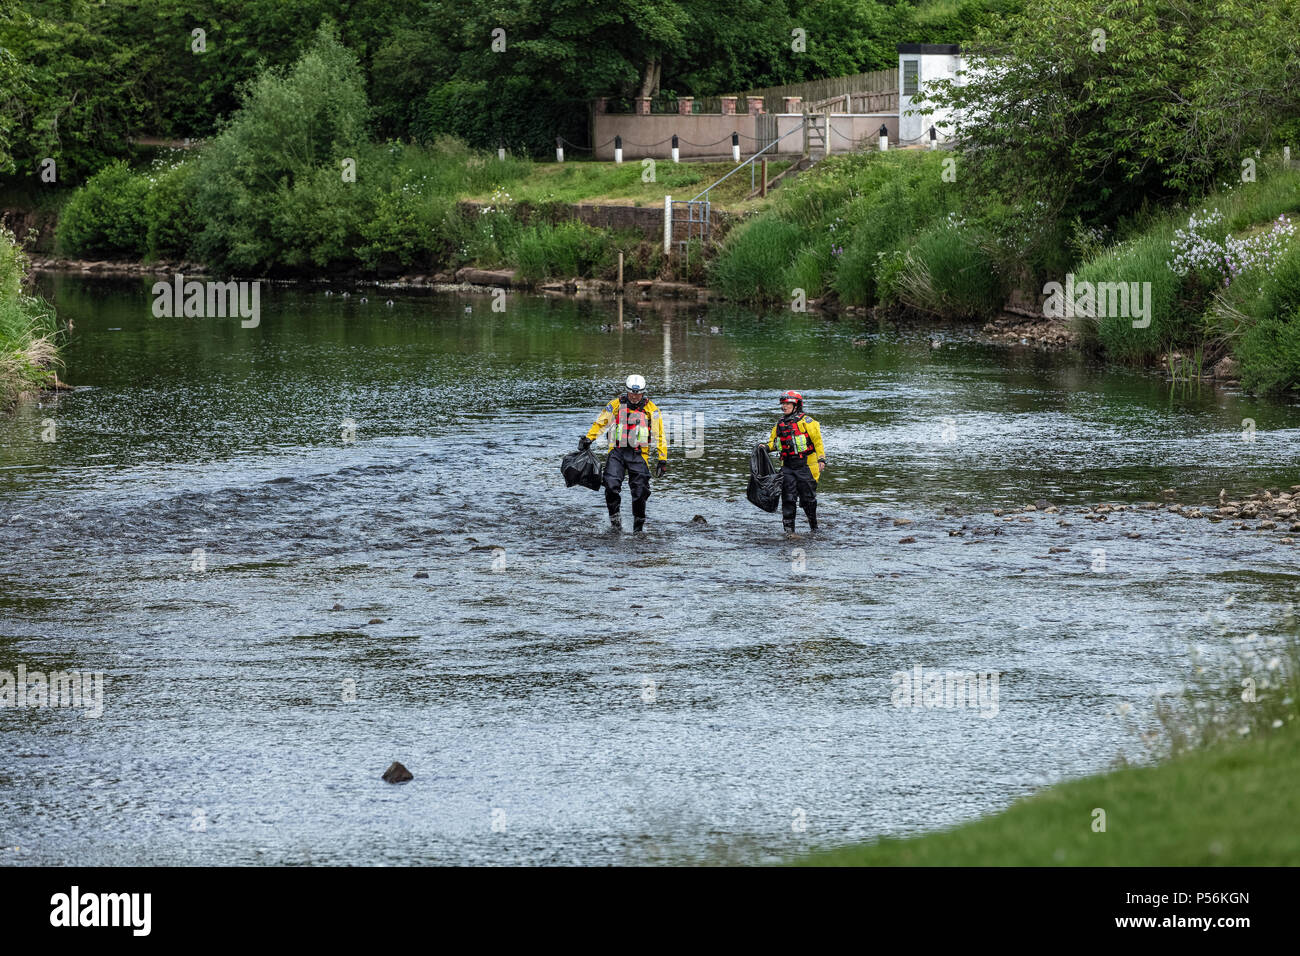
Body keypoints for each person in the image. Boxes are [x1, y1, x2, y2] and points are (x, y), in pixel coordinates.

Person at [579, 374, 667, 532]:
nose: (634, 397)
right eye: (632, 393)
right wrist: (588, 438)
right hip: (617, 452)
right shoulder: (616, 405)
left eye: (638, 393)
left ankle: (638, 530)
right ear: (627, 392)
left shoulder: (651, 410)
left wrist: (662, 459)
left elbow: (659, 435)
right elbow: (601, 423)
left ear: (643, 393)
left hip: (639, 455)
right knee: (611, 486)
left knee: (640, 492)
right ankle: (615, 524)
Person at [767, 390, 825, 533]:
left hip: (806, 466)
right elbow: (773, 444)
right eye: (783, 404)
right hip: (787, 467)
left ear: (796, 405)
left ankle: (814, 528)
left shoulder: (808, 422)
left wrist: (821, 459)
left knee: (808, 499)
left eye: (788, 403)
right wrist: (763, 447)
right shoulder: (779, 424)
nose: (784, 406)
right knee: (788, 499)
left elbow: (818, 442)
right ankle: (789, 532)